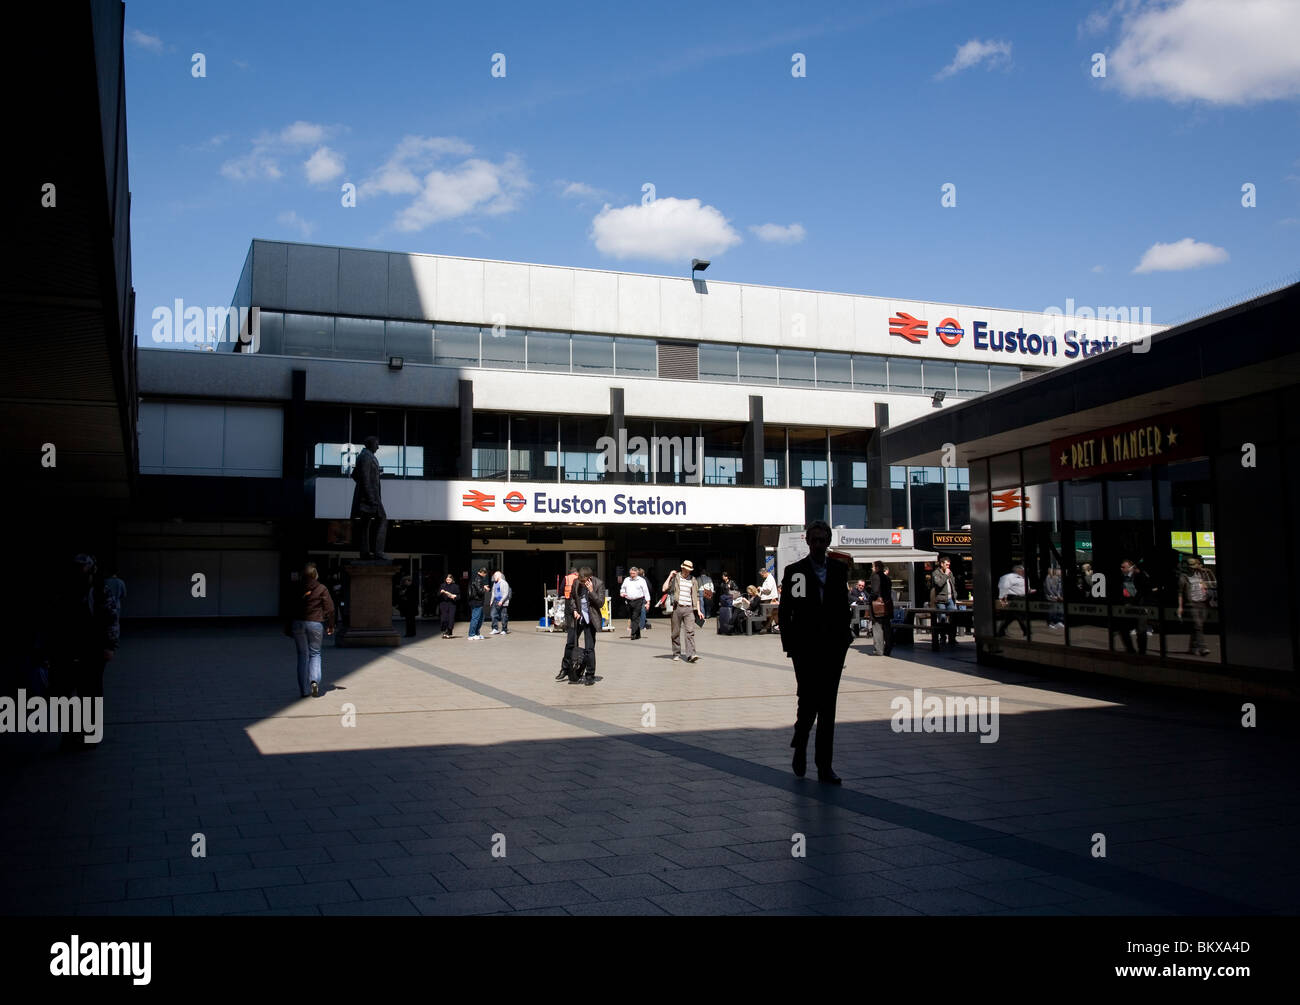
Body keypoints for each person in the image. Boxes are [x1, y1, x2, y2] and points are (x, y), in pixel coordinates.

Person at [779, 520, 852, 785]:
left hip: (833, 647)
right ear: (808, 542)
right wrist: (790, 644)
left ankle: (824, 766)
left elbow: (843, 608)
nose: (819, 545)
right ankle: (801, 742)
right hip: (806, 647)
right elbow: (788, 610)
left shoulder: (838, 569)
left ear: (828, 541)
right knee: (809, 699)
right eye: (815, 540)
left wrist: (845, 637)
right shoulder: (796, 572)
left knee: (828, 707)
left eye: (823, 540)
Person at [46, 554, 119, 749]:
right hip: (66, 648)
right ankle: (72, 732)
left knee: (89, 691)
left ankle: (86, 732)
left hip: (90, 648)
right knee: (63, 692)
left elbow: (110, 617)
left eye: (84, 568)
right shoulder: (62, 592)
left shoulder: (99, 592)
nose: (81, 572)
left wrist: (109, 645)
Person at [291, 562, 335, 698]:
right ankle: (314, 682)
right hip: (315, 623)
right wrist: (331, 625)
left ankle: (303, 690)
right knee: (315, 654)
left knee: (302, 656)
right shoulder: (321, 588)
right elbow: (330, 608)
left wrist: (288, 626)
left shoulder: (296, 587)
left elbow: (289, 607)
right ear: (315, 574)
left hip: (298, 623)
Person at [563, 567, 606, 685]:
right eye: (580, 581)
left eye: (583, 581)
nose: (581, 583)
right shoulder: (576, 583)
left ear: (589, 578)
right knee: (571, 643)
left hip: (591, 620)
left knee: (589, 648)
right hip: (579, 618)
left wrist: (591, 591)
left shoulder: (599, 584)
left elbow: (601, 603)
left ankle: (590, 675)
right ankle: (567, 669)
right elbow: (572, 598)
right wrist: (575, 610)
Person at [350, 435, 388, 560]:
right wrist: (370, 495)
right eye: (377, 444)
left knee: (365, 524)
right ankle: (378, 552)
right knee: (382, 519)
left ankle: (365, 552)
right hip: (370, 497)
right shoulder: (366, 457)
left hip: (367, 496)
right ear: (371, 444)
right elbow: (364, 477)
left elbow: (355, 475)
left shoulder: (363, 456)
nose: (378, 446)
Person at [662, 560, 703, 663]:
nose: (688, 572)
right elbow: (664, 588)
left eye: (690, 570)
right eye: (687, 569)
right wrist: (670, 576)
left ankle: (691, 655)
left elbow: (697, 596)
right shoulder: (676, 578)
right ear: (682, 568)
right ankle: (676, 653)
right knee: (675, 632)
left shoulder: (693, 580)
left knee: (690, 632)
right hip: (677, 608)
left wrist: (699, 610)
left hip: (689, 609)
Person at [1109, 558, 1151, 654]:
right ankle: (1130, 649)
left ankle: (1142, 652)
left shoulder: (1139, 575)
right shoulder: (1121, 577)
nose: (1121, 569)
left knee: (1141, 631)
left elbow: (1144, 590)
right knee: (1123, 629)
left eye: (1123, 567)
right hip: (1126, 607)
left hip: (1139, 607)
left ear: (1130, 568)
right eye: (1121, 567)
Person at [1178, 554, 1214, 657]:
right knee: (1198, 625)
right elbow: (1180, 592)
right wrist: (1180, 607)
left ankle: (1192, 647)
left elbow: (1208, 584)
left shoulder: (1201, 574)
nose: (1193, 569)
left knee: (1198, 626)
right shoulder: (1183, 577)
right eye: (1191, 567)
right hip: (1191, 604)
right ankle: (1203, 647)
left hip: (1202, 602)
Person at [995, 564, 1032, 638]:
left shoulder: (1025, 578)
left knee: (1010, 617)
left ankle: (1001, 631)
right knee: (1020, 616)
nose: (1023, 572)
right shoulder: (1009, 578)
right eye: (1022, 570)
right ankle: (1026, 632)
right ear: (1017, 571)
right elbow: (1004, 588)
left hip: (1023, 598)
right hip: (1015, 598)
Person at [869, 561, 895, 656]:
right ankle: (888, 648)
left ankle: (879, 650)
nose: (872, 569)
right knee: (887, 627)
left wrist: (869, 598)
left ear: (877, 567)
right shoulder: (887, 578)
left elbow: (875, 591)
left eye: (872, 567)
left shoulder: (875, 576)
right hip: (887, 605)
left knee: (877, 628)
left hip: (878, 606)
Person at [620, 566, 650, 640]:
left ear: (637, 573)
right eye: (631, 573)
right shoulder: (627, 579)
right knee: (632, 617)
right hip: (629, 601)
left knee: (635, 616)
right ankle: (638, 634)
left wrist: (648, 602)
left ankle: (633, 634)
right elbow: (622, 588)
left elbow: (646, 591)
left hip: (638, 601)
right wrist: (622, 593)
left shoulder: (641, 580)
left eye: (633, 573)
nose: (632, 575)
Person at [467, 568, 490, 640]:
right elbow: (479, 591)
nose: (485, 576)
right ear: (483, 573)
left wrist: (483, 587)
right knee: (476, 618)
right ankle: (471, 634)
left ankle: (476, 633)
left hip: (477, 601)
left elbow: (476, 589)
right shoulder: (478, 579)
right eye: (485, 574)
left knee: (480, 618)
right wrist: (485, 589)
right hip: (477, 602)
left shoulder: (476, 579)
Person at [437, 574, 459, 638]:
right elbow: (437, 595)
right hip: (443, 604)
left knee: (451, 618)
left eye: (449, 579)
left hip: (452, 604)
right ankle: (445, 631)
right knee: (444, 619)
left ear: (452, 580)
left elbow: (458, 596)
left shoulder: (455, 586)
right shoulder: (442, 585)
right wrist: (441, 592)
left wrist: (454, 596)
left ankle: (449, 632)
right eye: (447, 579)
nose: (448, 581)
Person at [490, 571, 511, 635]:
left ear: (499, 576)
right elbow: (493, 592)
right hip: (495, 601)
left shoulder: (504, 583)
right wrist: (491, 600)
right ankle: (495, 629)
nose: (494, 577)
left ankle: (504, 629)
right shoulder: (495, 583)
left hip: (503, 602)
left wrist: (501, 601)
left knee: (503, 616)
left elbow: (506, 593)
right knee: (493, 615)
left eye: (495, 576)